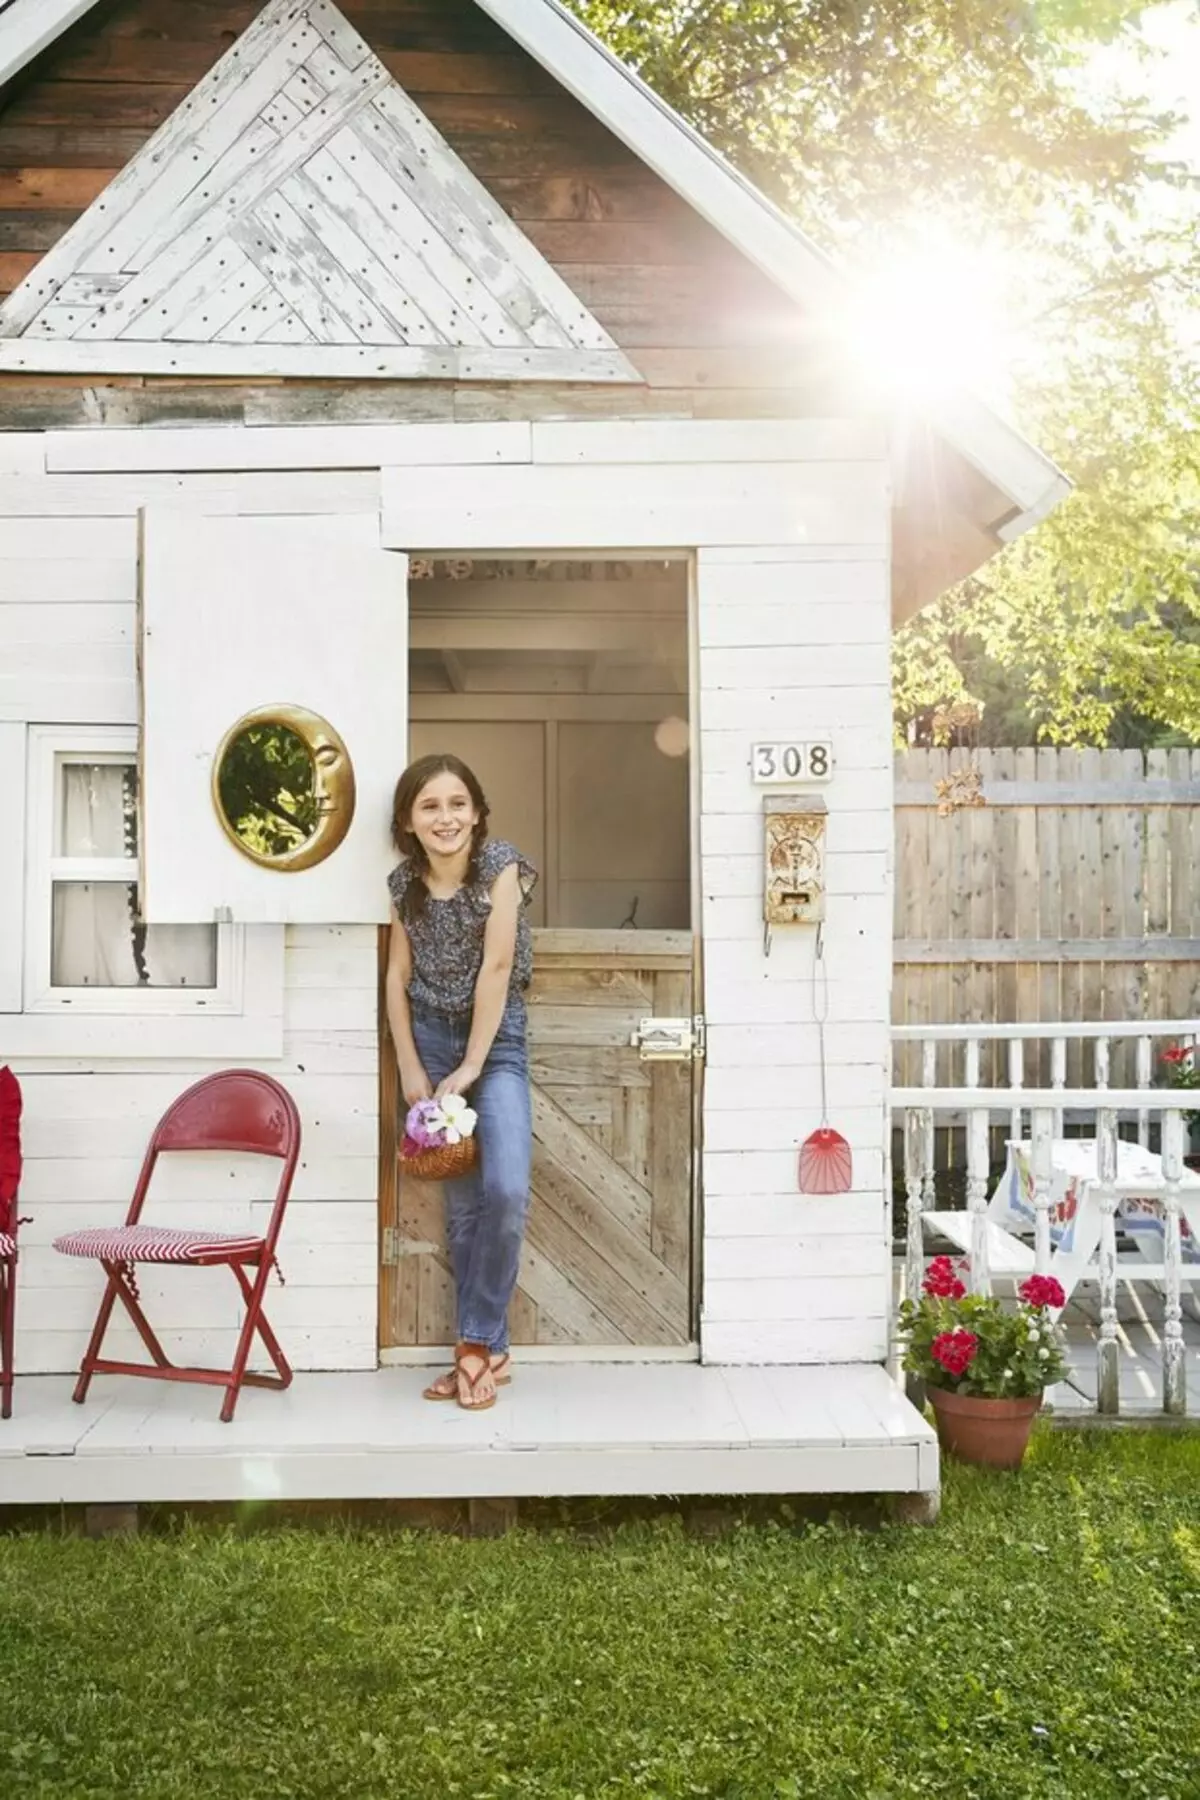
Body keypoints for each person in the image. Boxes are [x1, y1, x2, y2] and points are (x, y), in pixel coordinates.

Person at [384, 753, 537, 1412]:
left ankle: (477, 1347)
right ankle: (481, 1351)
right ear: (409, 821)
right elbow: (396, 977)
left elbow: (497, 965)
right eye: (429, 806)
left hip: (493, 1045)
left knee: (505, 1187)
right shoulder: (402, 884)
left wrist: (472, 1065)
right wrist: (412, 1066)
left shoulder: (501, 867)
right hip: (430, 1039)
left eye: (456, 804)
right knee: (464, 1207)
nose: (444, 818)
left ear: (475, 811)